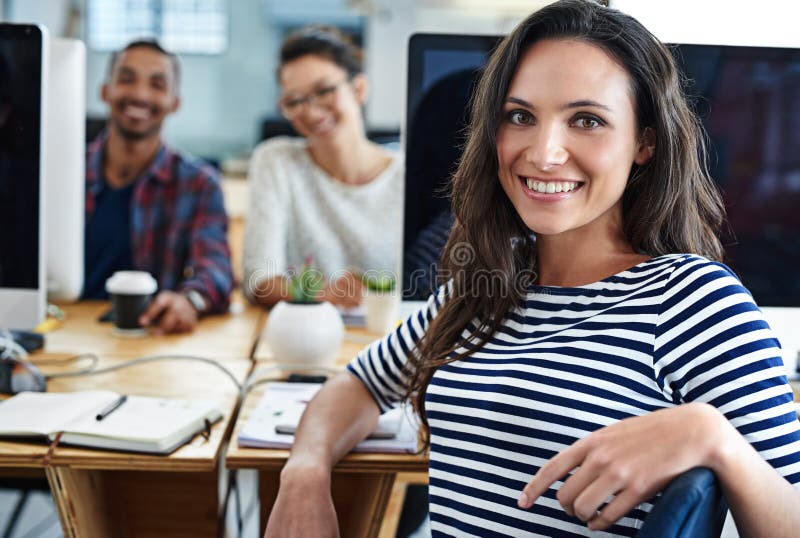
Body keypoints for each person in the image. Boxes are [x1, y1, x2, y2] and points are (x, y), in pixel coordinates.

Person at [264, 1, 800, 536]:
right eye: (520, 116)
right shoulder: (484, 286)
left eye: (586, 120)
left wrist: (716, 439)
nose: (543, 153)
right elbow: (356, 385)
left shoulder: (693, 302)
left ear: (645, 141)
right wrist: (305, 475)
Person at [243, 26, 403, 309]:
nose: (312, 111)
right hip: (305, 338)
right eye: (294, 101)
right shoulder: (277, 161)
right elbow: (258, 280)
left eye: (325, 91)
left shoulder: (409, 175)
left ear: (359, 89)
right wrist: (324, 290)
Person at [83, 39, 234, 334]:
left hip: (148, 335)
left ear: (175, 103)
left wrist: (190, 301)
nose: (140, 94)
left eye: (157, 85)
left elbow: (216, 270)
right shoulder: (58, 172)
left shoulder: (200, 184)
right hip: (62, 331)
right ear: (105, 91)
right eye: (127, 80)